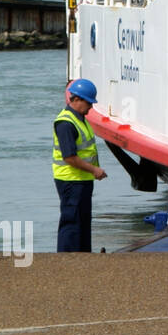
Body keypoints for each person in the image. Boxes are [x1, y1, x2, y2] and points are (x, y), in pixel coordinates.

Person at [52, 78, 107, 252]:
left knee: (82, 221)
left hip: (81, 179)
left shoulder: (80, 119)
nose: (90, 107)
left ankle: (83, 257)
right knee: (72, 221)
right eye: (88, 102)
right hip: (70, 180)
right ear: (76, 100)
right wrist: (94, 170)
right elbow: (70, 157)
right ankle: (68, 259)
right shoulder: (66, 123)